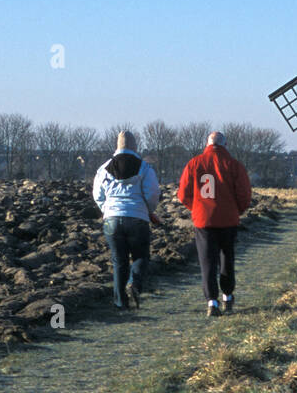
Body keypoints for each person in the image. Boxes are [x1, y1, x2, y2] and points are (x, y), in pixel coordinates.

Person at [176, 131, 252, 317]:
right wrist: (238, 210)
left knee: (207, 261)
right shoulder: (234, 165)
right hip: (228, 219)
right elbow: (244, 193)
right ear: (225, 145)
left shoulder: (194, 163)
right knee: (227, 258)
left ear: (207, 144)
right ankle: (228, 295)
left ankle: (212, 301)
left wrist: (195, 208)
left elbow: (183, 193)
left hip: (204, 220)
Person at [93, 131, 161, 309]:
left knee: (118, 260)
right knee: (141, 256)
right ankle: (134, 283)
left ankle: (120, 302)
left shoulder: (104, 168)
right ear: (135, 146)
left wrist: (106, 210)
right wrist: (149, 211)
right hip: (137, 218)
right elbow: (152, 193)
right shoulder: (145, 168)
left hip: (111, 220)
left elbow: (97, 195)